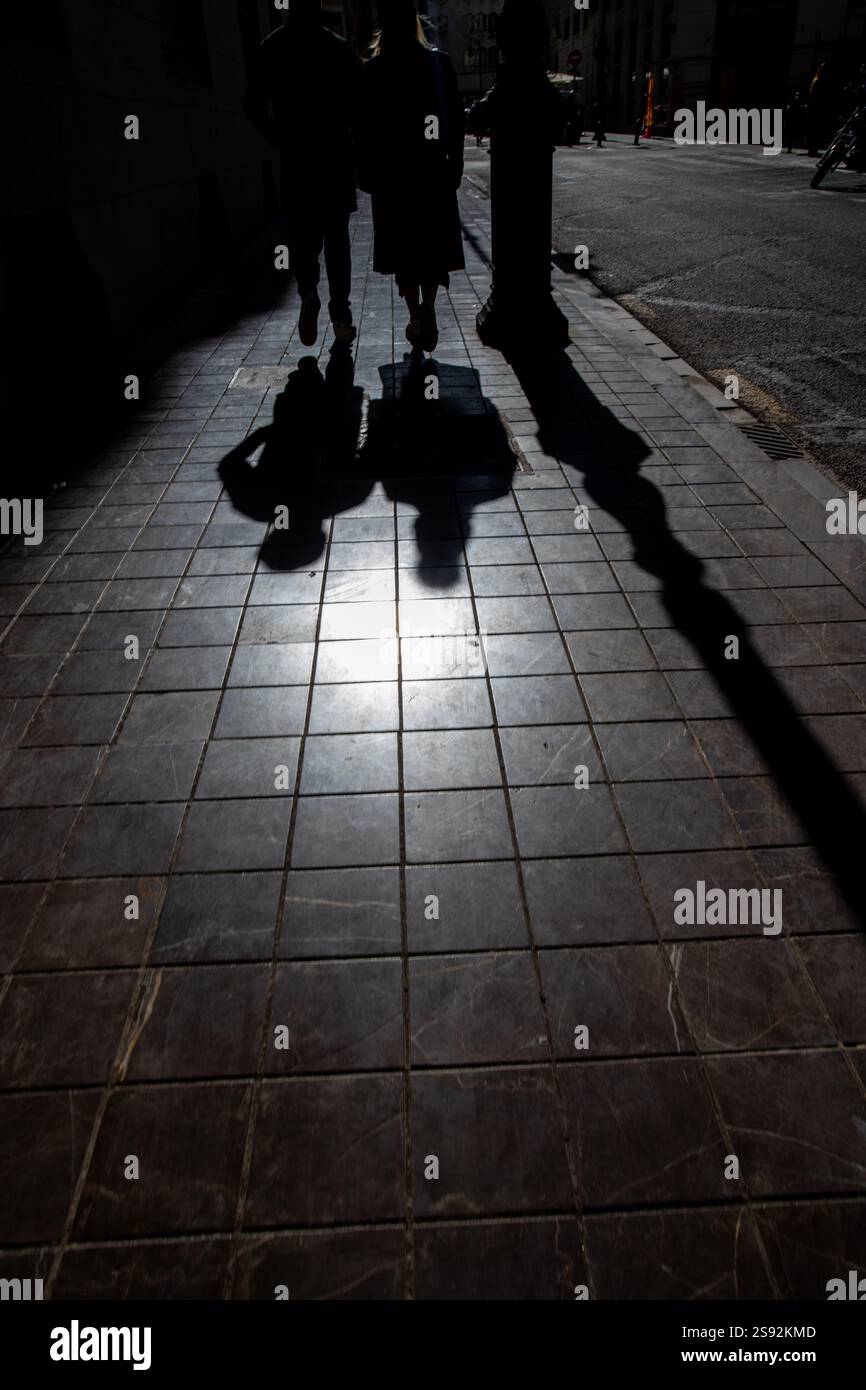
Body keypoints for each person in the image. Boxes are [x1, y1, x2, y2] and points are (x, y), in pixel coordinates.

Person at [244, 0, 357, 347]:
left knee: (303, 238)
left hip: (297, 160)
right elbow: (357, 105)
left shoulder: (273, 47)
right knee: (337, 240)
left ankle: (308, 292)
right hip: (334, 158)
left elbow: (251, 105)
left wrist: (279, 137)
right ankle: (341, 315)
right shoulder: (338, 48)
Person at [356, 0, 464, 354]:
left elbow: (363, 128)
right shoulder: (438, 64)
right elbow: (457, 122)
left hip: (392, 175)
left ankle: (416, 313)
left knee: (403, 250)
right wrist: (456, 165)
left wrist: (366, 171)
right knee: (431, 246)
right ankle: (429, 307)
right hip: (431, 170)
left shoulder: (373, 71)